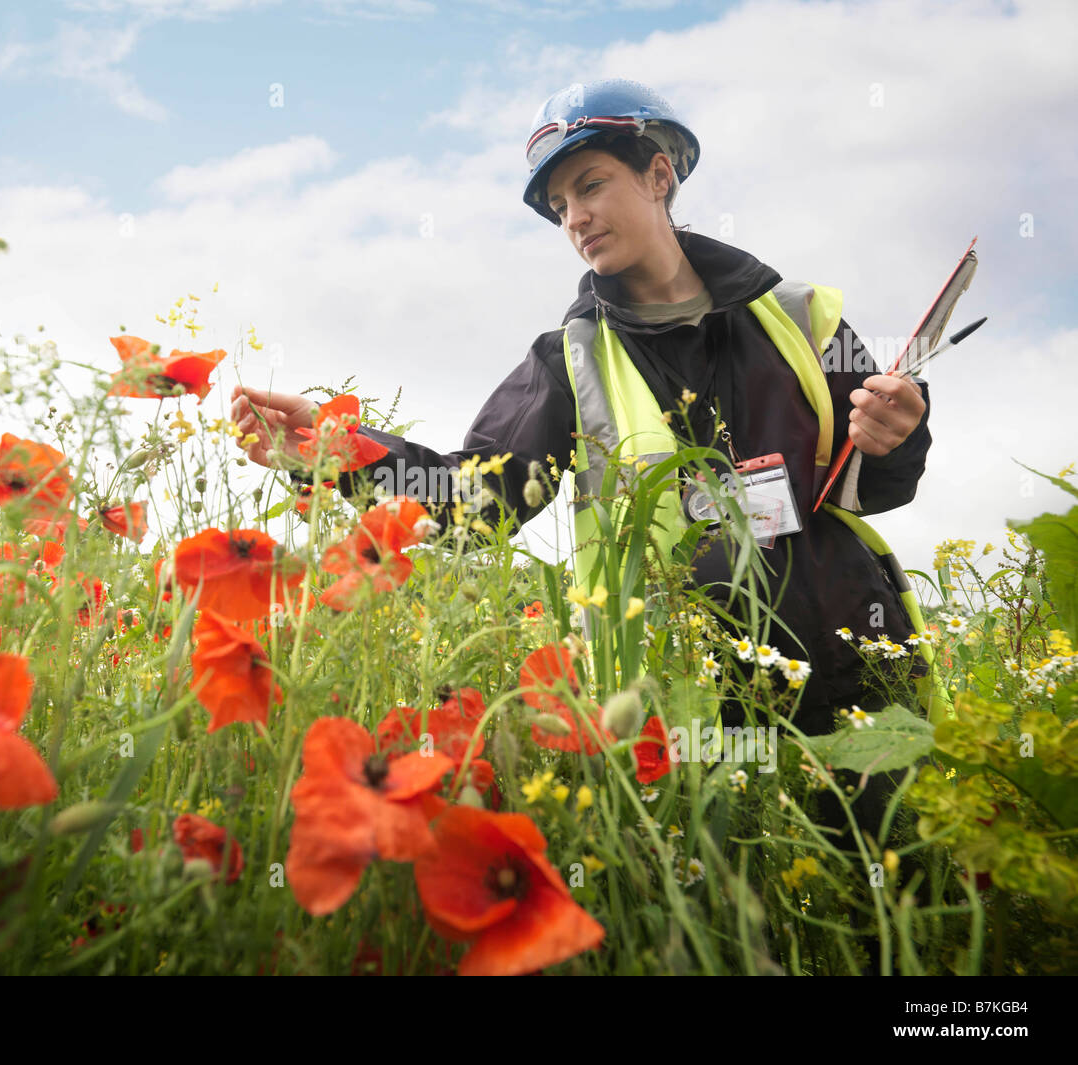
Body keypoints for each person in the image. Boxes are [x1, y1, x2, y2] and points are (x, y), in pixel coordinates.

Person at [229, 78, 944, 849]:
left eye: (591, 184)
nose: (575, 218)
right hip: (683, 702)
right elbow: (476, 499)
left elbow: (876, 487)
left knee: (892, 903)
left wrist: (900, 431)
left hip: (858, 672)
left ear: (659, 175)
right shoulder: (569, 358)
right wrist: (340, 449)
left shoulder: (806, 314)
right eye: (560, 205)